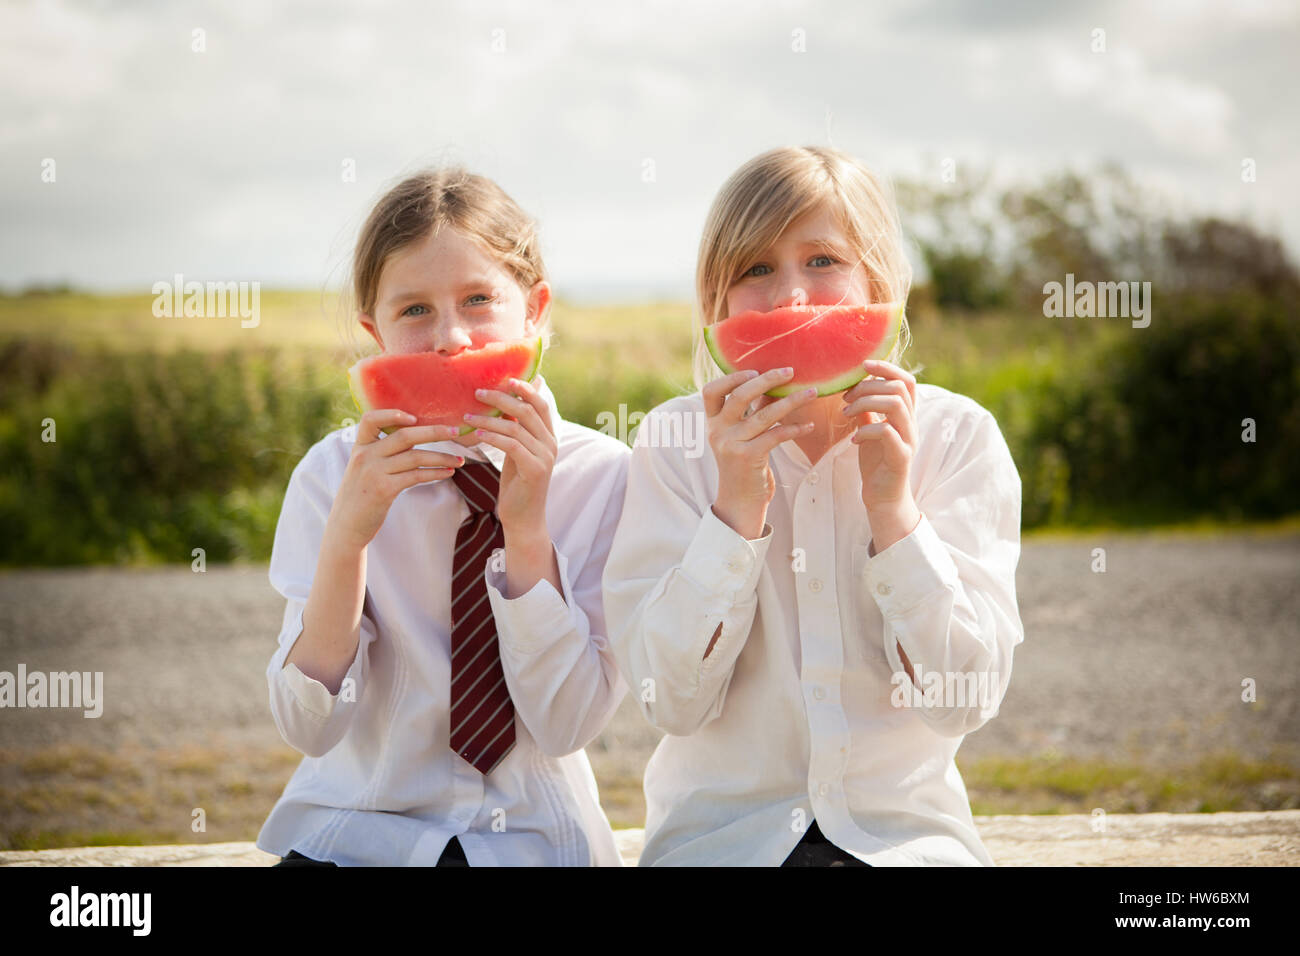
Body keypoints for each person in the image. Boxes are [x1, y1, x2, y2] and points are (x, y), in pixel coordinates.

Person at [602, 145, 1025, 866]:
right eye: (755, 270)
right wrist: (736, 510)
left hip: (906, 844)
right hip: (720, 846)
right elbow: (668, 702)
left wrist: (893, 512)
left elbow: (965, 699)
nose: (792, 297)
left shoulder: (956, 438)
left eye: (823, 260)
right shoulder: (674, 446)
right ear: (716, 305)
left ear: (879, 284)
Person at [257, 168, 629, 866]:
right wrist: (347, 540)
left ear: (536, 310)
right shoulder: (330, 476)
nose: (450, 338)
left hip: (536, 841)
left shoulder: (602, 475)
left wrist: (527, 532)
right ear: (375, 332)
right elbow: (308, 727)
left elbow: (568, 721)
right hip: (361, 834)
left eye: (479, 300)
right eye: (415, 311)